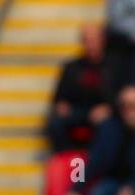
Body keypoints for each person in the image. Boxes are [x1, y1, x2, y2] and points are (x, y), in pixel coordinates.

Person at [47, 23, 115, 152]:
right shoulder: (71, 67)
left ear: (102, 41)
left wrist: (109, 108)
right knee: (55, 123)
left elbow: (119, 95)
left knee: (109, 126)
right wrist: (61, 106)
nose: (90, 45)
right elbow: (58, 98)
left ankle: (96, 162)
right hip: (76, 111)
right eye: (86, 41)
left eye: (94, 40)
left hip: (103, 113)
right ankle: (67, 158)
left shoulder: (114, 66)